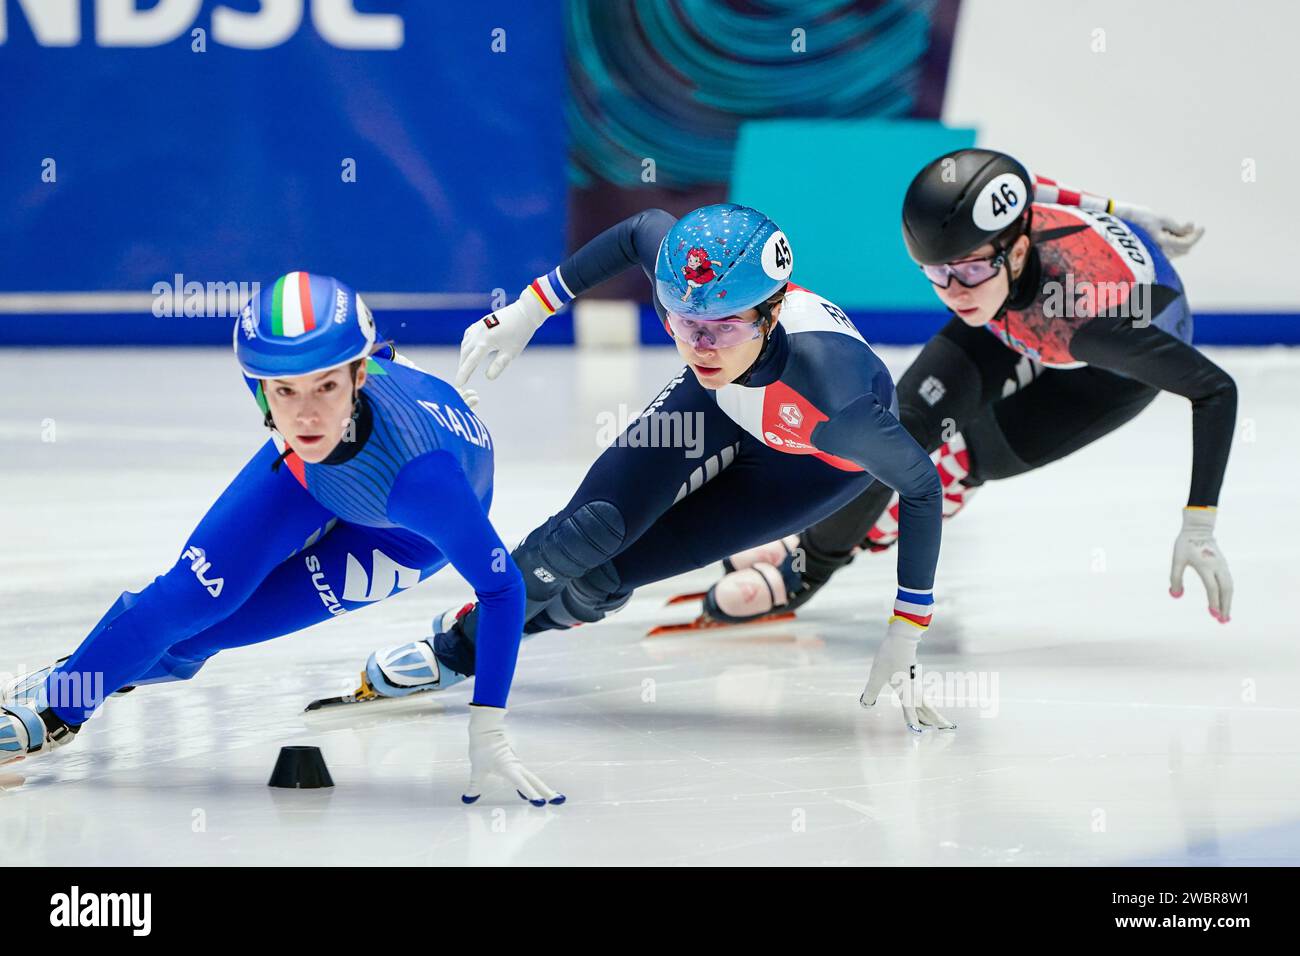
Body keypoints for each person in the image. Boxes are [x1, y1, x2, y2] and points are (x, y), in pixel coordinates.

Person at [349, 203, 954, 733]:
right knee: (586, 532)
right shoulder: (696, 295)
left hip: (810, 462)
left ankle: (523, 622)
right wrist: (530, 310)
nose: (700, 347)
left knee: (606, 578)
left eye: (723, 326)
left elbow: (922, 487)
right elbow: (638, 229)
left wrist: (906, 627)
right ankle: (459, 645)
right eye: (682, 323)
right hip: (719, 402)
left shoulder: (841, 401)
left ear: (771, 315)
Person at [0, 272, 562, 806]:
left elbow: (503, 589)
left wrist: (489, 727)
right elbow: (172, 603)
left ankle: (88, 674)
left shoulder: (425, 481)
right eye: (285, 391)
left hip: (402, 530)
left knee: (201, 638)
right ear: (259, 387)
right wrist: (64, 703)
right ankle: (59, 701)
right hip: (317, 472)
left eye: (325, 386)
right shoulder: (302, 430)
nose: (308, 413)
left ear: (359, 376)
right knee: (187, 602)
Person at [697, 149, 1236, 630]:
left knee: (967, 456)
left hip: (1107, 368)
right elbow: (1026, 179)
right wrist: (1121, 209)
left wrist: (1198, 524)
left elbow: (1215, 389)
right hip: (1018, 307)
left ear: (1017, 250)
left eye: (970, 270)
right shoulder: (989, 261)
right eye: (936, 273)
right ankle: (811, 547)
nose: (953, 292)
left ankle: (810, 567)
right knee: (896, 429)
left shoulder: (1094, 322)